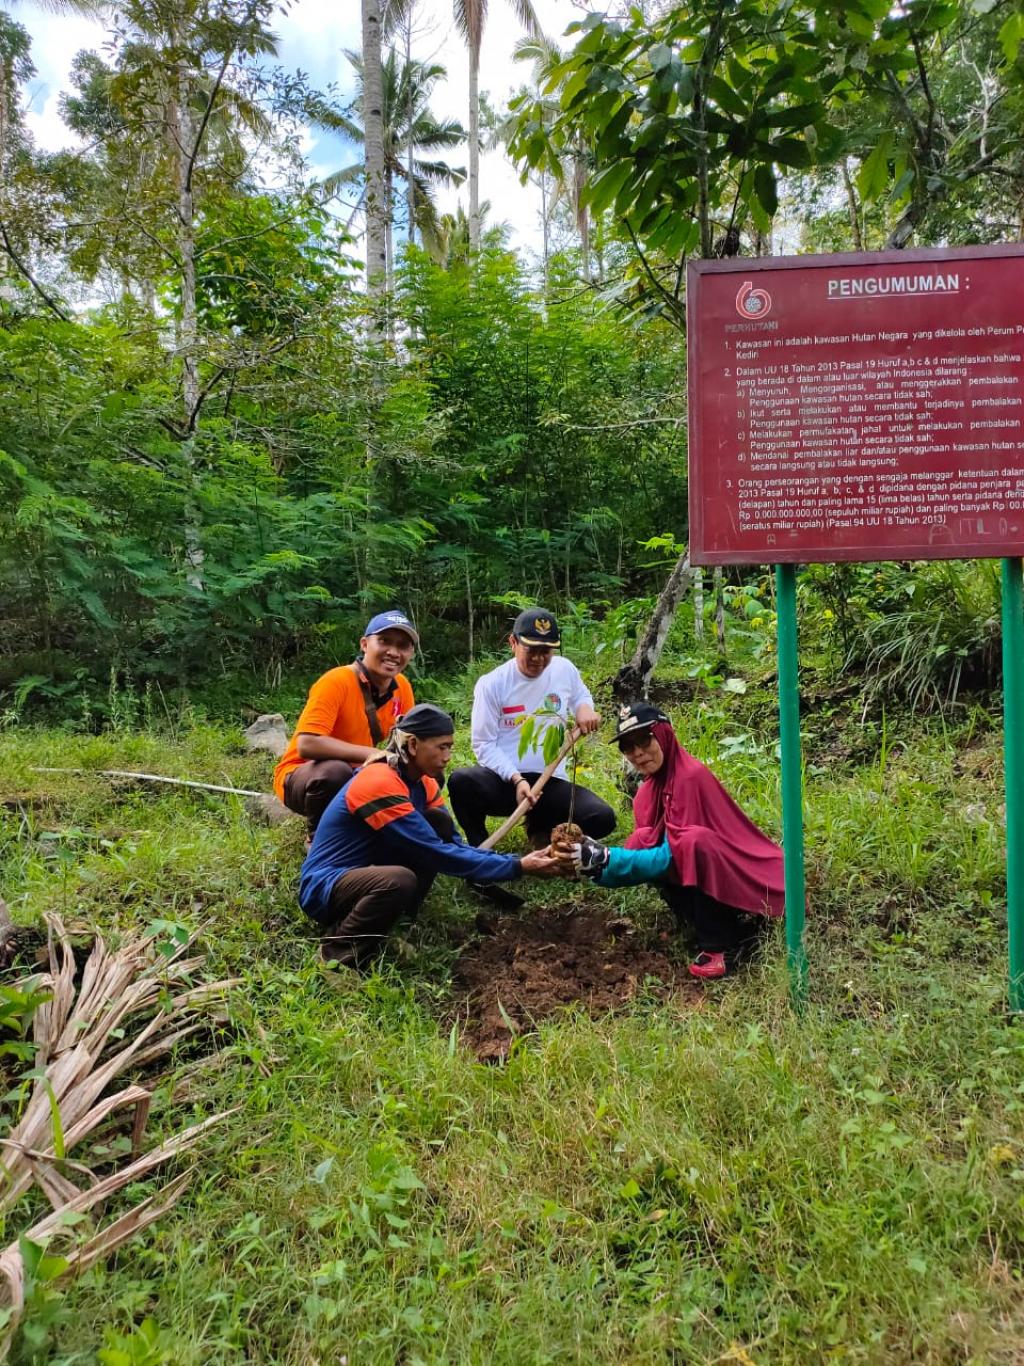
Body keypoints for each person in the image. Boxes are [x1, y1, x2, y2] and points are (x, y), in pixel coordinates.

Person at [299, 703, 565, 969]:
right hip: (326, 887)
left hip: (368, 872)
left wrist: (509, 863)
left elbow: (451, 844)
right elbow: (434, 852)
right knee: (398, 881)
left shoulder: (424, 782)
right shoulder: (378, 781)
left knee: (438, 821)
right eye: (442, 747)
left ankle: (391, 925)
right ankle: (337, 955)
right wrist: (518, 866)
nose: (448, 756)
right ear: (413, 745)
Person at [571, 702, 785, 979]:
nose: (637, 753)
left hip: (744, 874)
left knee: (693, 843)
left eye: (644, 740)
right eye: (627, 747)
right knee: (641, 839)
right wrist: (599, 866)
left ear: (663, 735)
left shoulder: (690, 778)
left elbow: (674, 855)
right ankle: (701, 924)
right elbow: (649, 853)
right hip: (711, 875)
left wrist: (609, 860)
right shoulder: (648, 792)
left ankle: (723, 944)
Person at [447, 608, 616, 868]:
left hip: (550, 780)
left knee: (602, 817)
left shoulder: (564, 670)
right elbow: (483, 745)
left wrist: (584, 709)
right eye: (531, 650)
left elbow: (580, 695)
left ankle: (543, 836)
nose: (538, 658)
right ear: (513, 643)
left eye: (546, 652)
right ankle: (480, 849)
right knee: (461, 781)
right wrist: (516, 779)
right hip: (505, 782)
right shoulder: (492, 684)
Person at [273, 611, 418, 837]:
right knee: (334, 772)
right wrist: (372, 753)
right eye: (384, 641)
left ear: (411, 653)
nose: (393, 652)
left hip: (360, 775)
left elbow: (406, 742)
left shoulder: (402, 687)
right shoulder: (336, 681)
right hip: (305, 775)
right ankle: (318, 839)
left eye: (403, 646)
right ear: (364, 644)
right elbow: (307, 744)